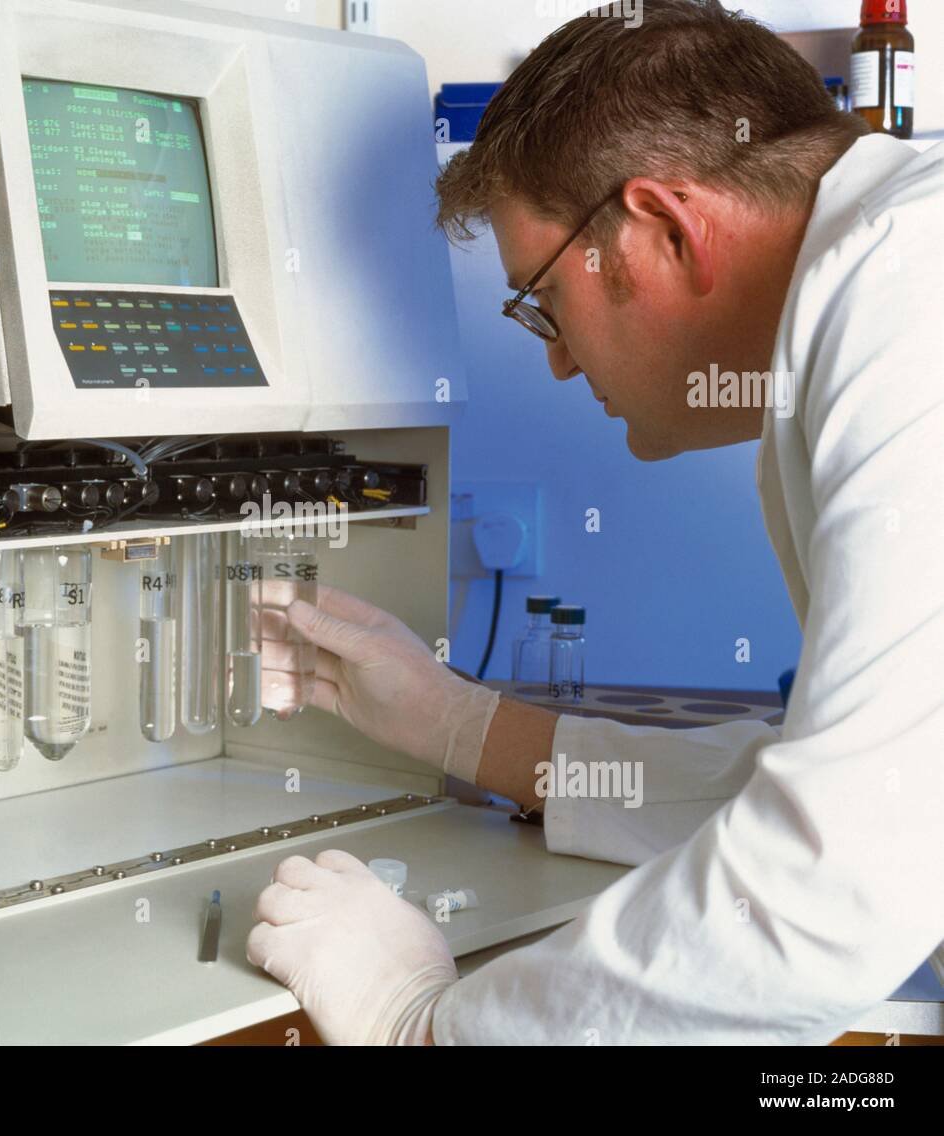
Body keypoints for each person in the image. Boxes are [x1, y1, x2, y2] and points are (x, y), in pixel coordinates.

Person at [245, 0, 944, 1045]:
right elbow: (837, 792)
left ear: (663, 227)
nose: (559, 360)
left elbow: (831, 878)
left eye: (539, 302)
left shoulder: (905, 293)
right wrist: (455, 723)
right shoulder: (881, 276)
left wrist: (424, 1026)